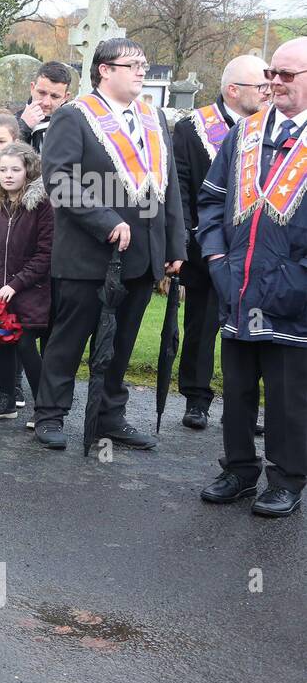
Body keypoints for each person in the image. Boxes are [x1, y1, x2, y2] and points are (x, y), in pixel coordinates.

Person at [33, 37, 186, 450]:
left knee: (121, 344)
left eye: (144, 64)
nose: (142, 71)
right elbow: (58, 181)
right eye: (132, 64)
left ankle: (108, 415)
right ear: (105, 69)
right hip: (87, 256)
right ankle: (50, 414)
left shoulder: (154, 119)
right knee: (69, 341)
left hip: (141, 256)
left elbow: (167, 189)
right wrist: (106, 220)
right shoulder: (75, 116)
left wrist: (175, 247)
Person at [196, 37, 307, 517]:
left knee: (287, 397)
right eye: (271, 75)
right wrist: (217, 261)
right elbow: (211, 201)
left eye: (286, 76)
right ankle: (240, 469)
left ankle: (287, 479)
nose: (275, 83)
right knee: (237, 389)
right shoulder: (244, 134)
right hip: (236, 286)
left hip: (294, 294)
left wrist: (297, 279)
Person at [173, 54, 269, 431]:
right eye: (260, 86)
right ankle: (196, 399)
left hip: (257, 249)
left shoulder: (270, 129)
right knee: (202, 325)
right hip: (207, 245)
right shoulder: (193, 127)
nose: (267, 92)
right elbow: (179, 185)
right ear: (233, 90)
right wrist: (183, 238)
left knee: (256, 327)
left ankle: (245, 406)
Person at [0, 142, 53, 421]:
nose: (8, 175)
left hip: (29, 291)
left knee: (26, 344)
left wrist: (15, 284)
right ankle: (6, 400)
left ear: (28, 171)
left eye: (15, 169)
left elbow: (45, 254)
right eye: (3, 169)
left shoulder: (41, 206)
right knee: (2, 343)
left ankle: (44, 407)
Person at [18, 61, 74, 153]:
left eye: (55, 96)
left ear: (65, 97)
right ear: (32, 88)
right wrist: (23, 128)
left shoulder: (74, 129)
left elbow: (77, 165)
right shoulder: (10, 122)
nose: (46, 103)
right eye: (42, 93)